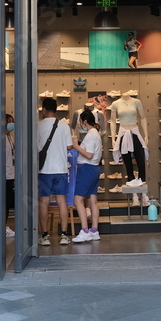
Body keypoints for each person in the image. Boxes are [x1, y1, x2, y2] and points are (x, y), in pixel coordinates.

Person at [37, 97, 73, 246]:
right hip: (61, 168)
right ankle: (64, 235)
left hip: (44, 170)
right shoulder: (64, 126)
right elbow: (70, 146)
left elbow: (36, 147)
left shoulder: (38, 126)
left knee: (44, 202)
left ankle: (45, 236)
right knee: (62, 201)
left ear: (44, 109)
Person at [109, 91, 150, 206]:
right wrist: (113, 137)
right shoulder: (115, 103)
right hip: (123, 133)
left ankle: (144, 195)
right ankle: (134, 197)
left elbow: (143, 118)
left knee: (141, 162)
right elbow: (112, 121)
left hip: (135, 132)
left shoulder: (136, 102)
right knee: (128, 164)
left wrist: (146, 134)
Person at [69, 110, 103, 243]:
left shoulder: (90, 135)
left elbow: (88, 154)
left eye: (80, 122)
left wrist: (76, 146)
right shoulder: (96, 134)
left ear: (84, 121)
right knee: (93, 201)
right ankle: (94, 230)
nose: (79, 124)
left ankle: (84, 230)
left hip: (87, 169)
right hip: (94, 169)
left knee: (78, 200)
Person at [4, 113, 16, 238]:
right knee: (4, 203)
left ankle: (4, 225)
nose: (11, 124)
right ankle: (2, 226)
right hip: (5, 174)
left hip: (11, 173)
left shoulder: (10, 137)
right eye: (9, 121)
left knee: (7, 202)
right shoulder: (1, 138)